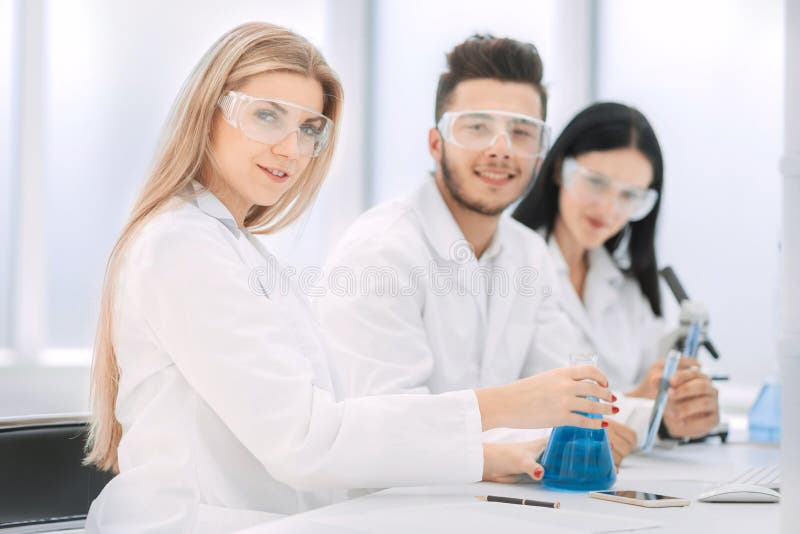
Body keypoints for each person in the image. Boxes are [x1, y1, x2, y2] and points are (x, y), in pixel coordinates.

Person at [82, 23, 615, 533]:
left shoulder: (236, 247)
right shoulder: (182, 245)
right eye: (267, 116)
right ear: (207, 113)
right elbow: (306, 441)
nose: (290, 148)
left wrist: (485, 454)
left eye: (308, 129)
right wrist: (507, 407)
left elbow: (333, 425)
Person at [315, 35, 583, 416]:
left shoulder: (530, 254)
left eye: (522, 132)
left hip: (502, 473)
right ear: (436, 144)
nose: (501, 148)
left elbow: (562, 392)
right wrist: (525, 430)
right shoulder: (381, 251)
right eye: (477, 127)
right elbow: (390, 421)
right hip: (391, 478)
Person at [512, 102, 720, 461]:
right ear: (560, 169)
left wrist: (681, 404)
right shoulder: (512, 270)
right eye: (595, 183)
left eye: (629, 196)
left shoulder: (629, 289)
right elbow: (521, 402)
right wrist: (640, 404)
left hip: (622, 474)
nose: (608, 209)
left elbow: (648, 402)